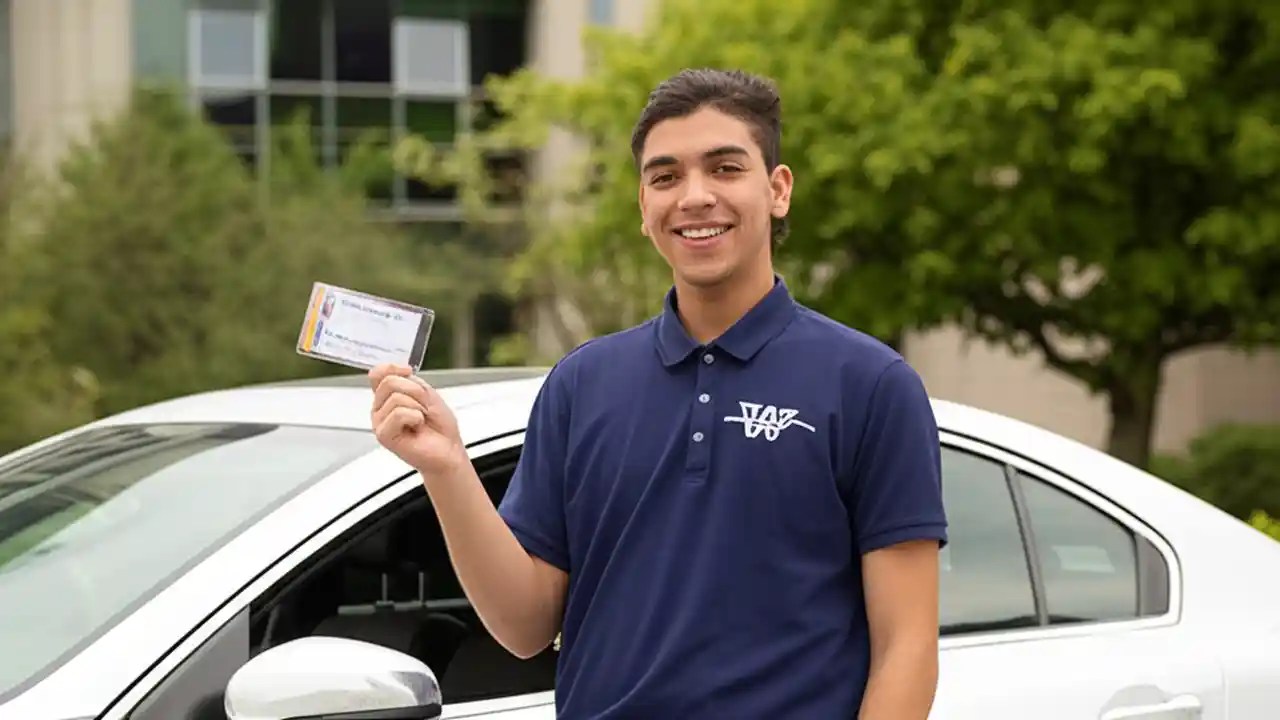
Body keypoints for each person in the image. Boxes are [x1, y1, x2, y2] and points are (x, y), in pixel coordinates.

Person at [368, 68, 948, 719]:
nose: (694, 197)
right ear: (643, 208)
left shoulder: (871, 385)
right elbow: (525, 625)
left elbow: (907, 646)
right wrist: (446, 468)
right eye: (665, 177)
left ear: (778, 190)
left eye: (725, 168)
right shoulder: (581, 384)